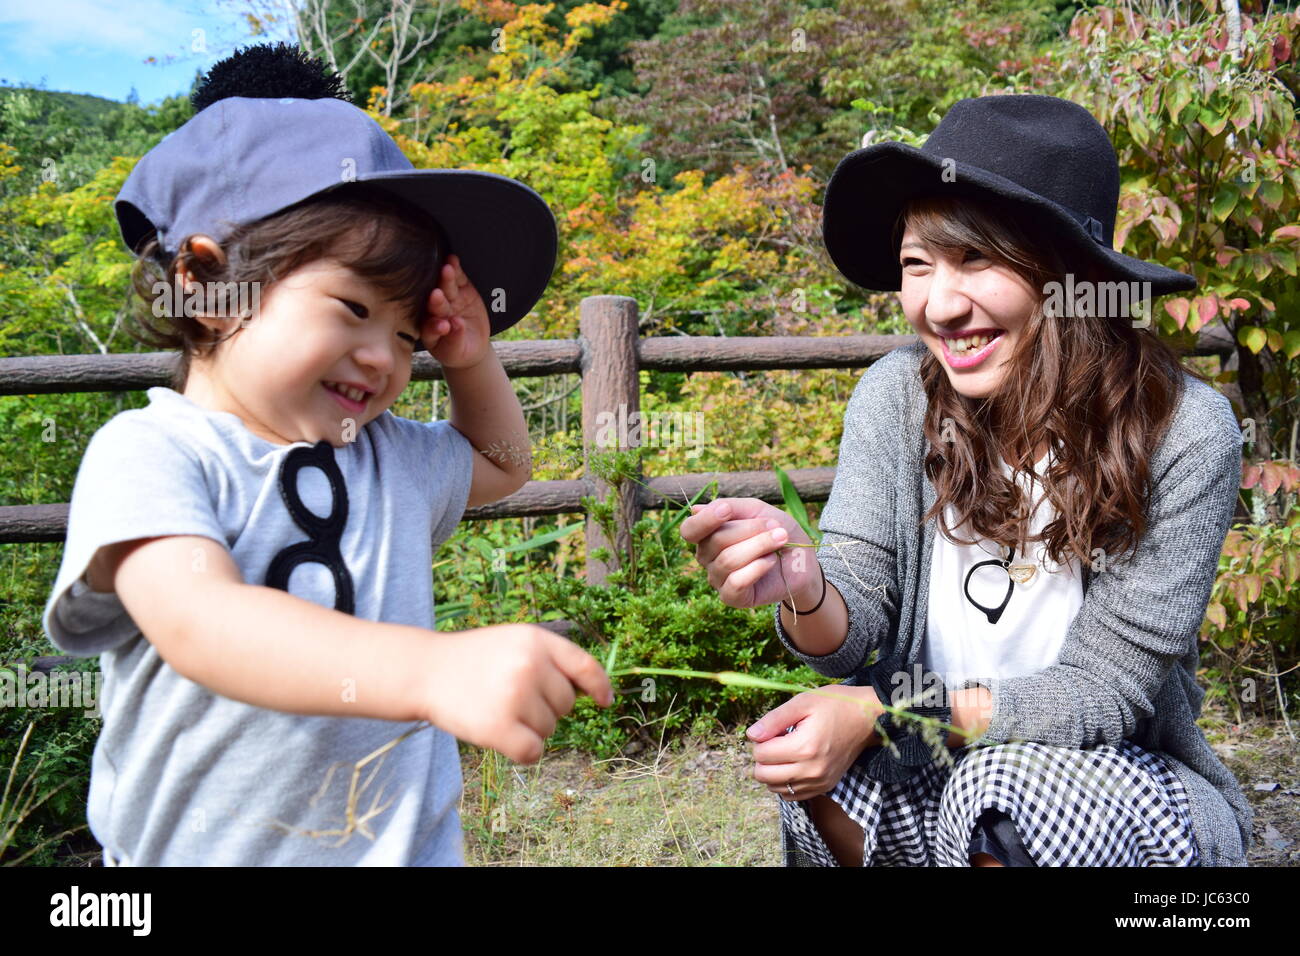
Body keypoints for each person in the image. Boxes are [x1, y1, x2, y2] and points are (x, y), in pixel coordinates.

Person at [40, 43, 612, 866]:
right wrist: (429, 672)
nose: (385, 358)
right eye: (351, 308)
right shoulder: (153, 452)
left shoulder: (386, 456)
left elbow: (501, 462)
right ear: (202, 282)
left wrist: (470, 361)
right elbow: (202, 622)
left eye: (409, 333)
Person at [680, 93, 1253, 867]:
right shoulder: (896, 397)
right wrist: (803, 582)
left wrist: (890, 712)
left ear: (1068, 275)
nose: (939, 306)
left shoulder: (1183, 430)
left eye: (977, 258)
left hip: (1119, 785)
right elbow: (855, 634)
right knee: (824, 773)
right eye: (918, 264)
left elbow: (1105, 694)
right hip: (936, 766)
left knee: (1004, 786)